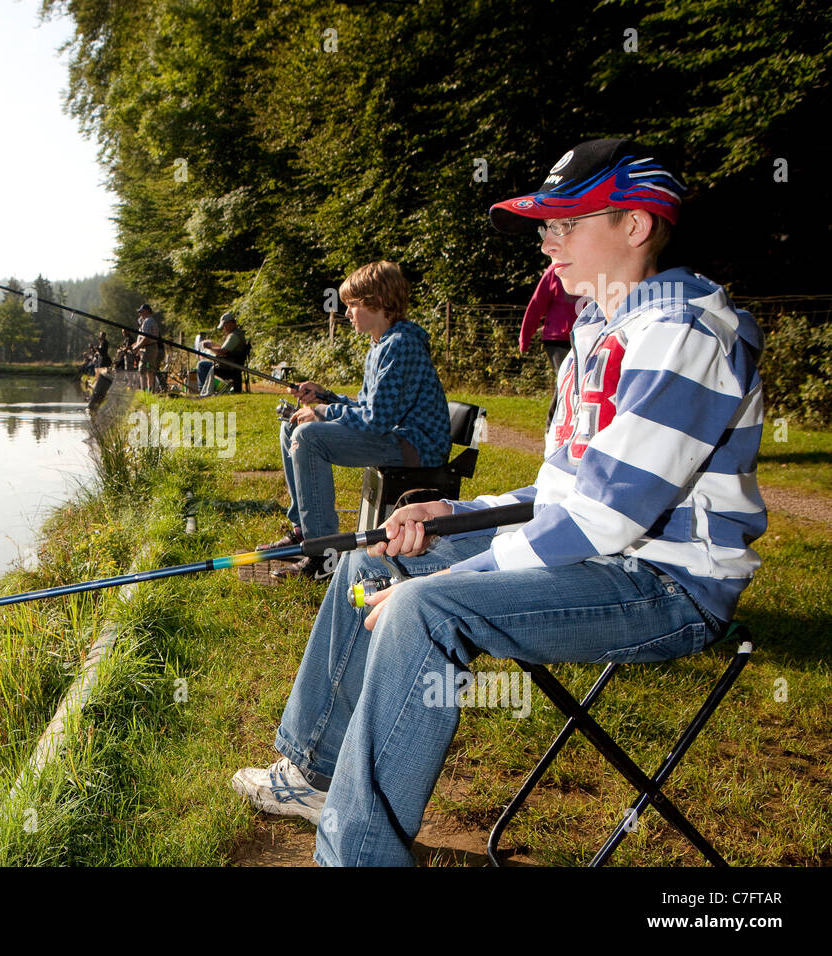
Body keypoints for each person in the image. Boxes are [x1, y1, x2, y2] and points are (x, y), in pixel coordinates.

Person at [230, 138, 767, 866]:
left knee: (426, 607)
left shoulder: (683, 333)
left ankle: (356, 856)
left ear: (635, 225)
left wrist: (455, 575)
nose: (547, 242)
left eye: (565, 223)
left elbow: (607, 515)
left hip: (665, 584)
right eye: (545, 226)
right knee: (371, 561)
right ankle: (312, 774)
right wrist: (454, 514)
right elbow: (560, 491)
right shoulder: (600, 332)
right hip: (598, 553)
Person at [262, 260, 451, 580]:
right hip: (394, 435)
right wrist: (326, 397)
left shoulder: (400, 345)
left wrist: (321, 412)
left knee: (309, 437)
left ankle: (324, 554)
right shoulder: (379, 345)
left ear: (376, 303)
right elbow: (368, 407)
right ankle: (302, 531)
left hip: (415, 445)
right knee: (291, 425)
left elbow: (376, 420)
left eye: (351, 305)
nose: (346, 313)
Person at [519, 262, 581, 428]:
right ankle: (552, 425)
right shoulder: (555, 271)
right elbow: (536, 304)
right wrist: (525, 338)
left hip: (582, 337)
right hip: (557, 338)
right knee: (566, 378)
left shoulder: (592, 267)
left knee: (580, 380)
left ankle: (574, 423)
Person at [196, 312, 248, 395]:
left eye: (224, 326)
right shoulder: (238, 334)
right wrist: (213, 345)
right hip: (232, 364)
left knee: (202, 364)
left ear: (230, 323)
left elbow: (222, 352)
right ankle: (205, 390)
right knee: (204, 364)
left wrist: (209, 347)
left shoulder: (234, 336)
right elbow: (226, 349)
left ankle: (203, 390)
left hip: (228, 367)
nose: (223, 329)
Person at [131, 304, 163, 392]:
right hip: (150, 348)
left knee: (143, 369)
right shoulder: (150, 321)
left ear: (146, 311)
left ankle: (144, 390)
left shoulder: (148, 321)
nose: (140, 314)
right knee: (150, 370)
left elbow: (146, 338)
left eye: (141, 312)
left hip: (148, 349)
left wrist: (137, 347)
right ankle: (150, 390)